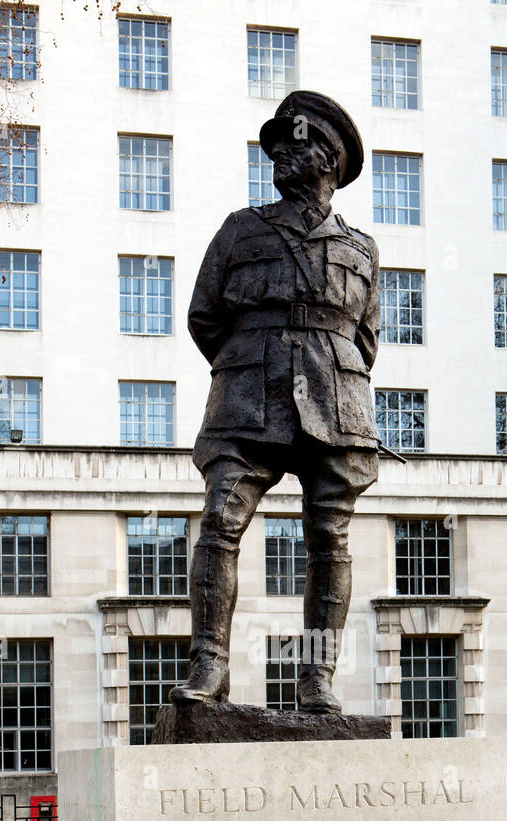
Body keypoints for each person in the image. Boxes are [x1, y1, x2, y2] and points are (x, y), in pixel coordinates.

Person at [170, 90, 380, 713]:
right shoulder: (240, 228)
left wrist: (318, 364)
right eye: (277, 143)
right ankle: (210, 665)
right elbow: (204, 318)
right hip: (246, 397)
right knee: (220, 521)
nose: (280, 153)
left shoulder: (363, 248)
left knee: (330, 538)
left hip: (335, 403)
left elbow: (365, 338)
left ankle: (316, 679)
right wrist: (254, 359)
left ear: (329, 159)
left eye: (296, 141)